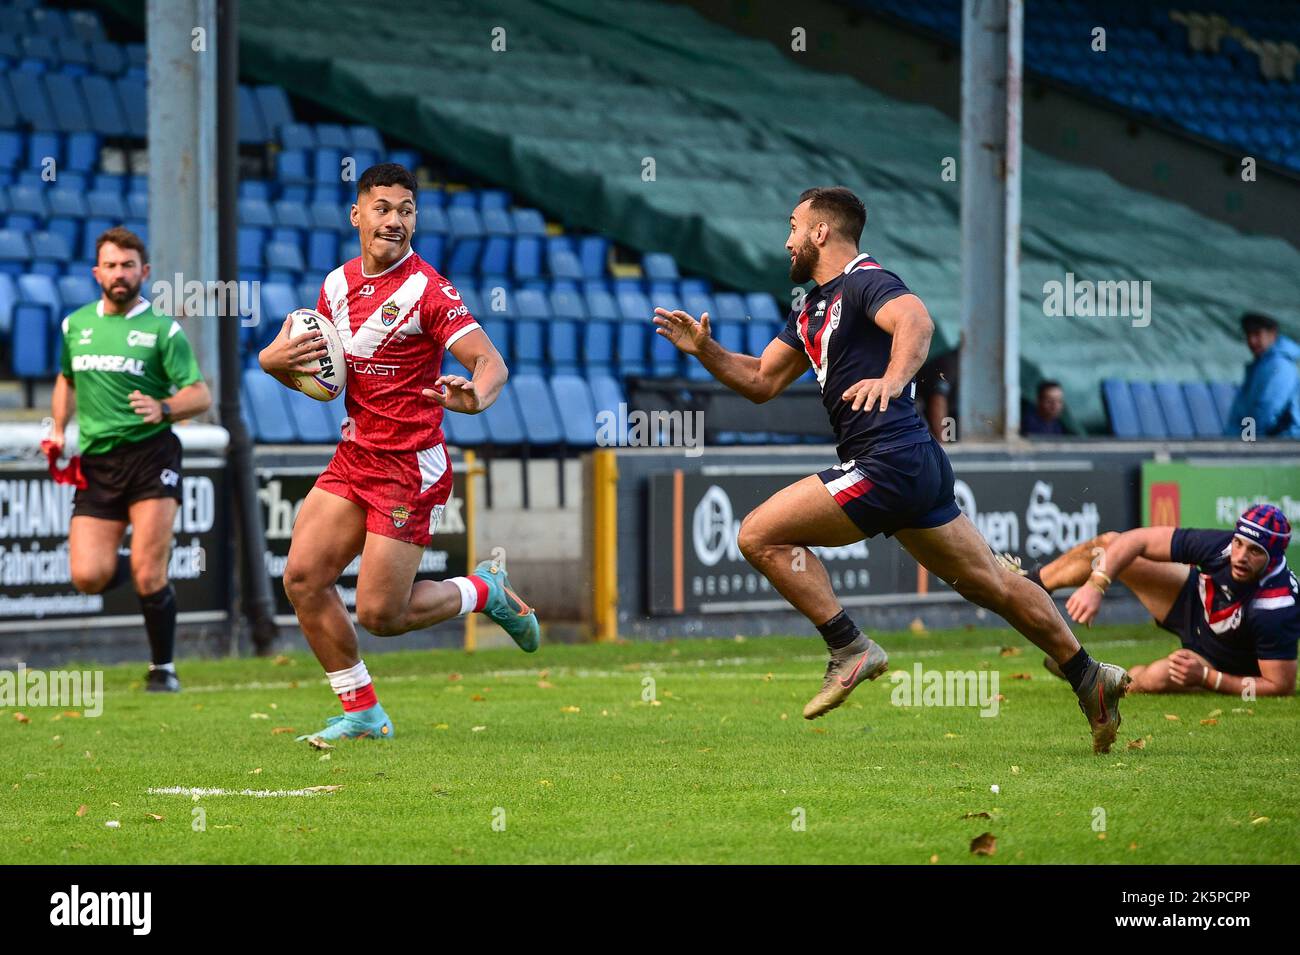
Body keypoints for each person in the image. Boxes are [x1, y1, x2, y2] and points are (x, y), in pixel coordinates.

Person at [653, 186, 1131, 753]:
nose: (786, 240)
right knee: (995, 585)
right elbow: (760, 380)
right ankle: (1088, 677)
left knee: (757, 535)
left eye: (793, 226)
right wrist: (705, 350)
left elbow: (917, 322)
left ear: (821, 232)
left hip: (887, 460)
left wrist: (894, 378)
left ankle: (849, 646)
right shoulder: (810, 304)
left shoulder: (864, 279)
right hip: (913, 464)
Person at [257, 163, 540, 743]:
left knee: (382, 616)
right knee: (304, 579)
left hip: (409, 465)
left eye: (406, 210)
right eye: (382, 209)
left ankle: (483, 590)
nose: (394, 221)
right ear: (356, 215)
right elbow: (323, 382)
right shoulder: (334, 288)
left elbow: (491, 365)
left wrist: (476, 399)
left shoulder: (428, 292)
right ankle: (361, 712)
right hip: (356, 454)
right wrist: (273, 364)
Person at [49, 227, 212, 692]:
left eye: (128, 265)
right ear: (96, 272)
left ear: (144, 272)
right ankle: (148, 566)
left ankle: (163, 668)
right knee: (87, 576)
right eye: (110, 265)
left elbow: (200, 395)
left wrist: (164, 408)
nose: (119, 274)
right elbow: (66, 378)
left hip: (151, 456)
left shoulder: (164, 329)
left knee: (145, 572)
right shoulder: (75, 325)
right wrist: (59, 430)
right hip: (98, 463)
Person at [1017, 505, 1297, 696]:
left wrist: (1208, 678)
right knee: (1108, 546)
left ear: (1273, 557)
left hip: (1218, 659)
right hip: (1193, 603)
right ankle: (1024, 586)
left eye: (1254, 551)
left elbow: (1279, 685)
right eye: (1239, 543)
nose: (1240, 556)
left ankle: (1092, 677)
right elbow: (1137, 540)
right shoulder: (1223, 546)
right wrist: (1096, 583)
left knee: (1155, 678)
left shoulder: (1276, 606)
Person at [1225, 312, 1300, 439]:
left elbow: (1267, 409)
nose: (1252, 341)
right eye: (1248, 335)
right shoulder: (1259, 367)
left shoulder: (1280, 366)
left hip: (1280, 447)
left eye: (1257, 334)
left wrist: (1248, 442)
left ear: (1273, 334)